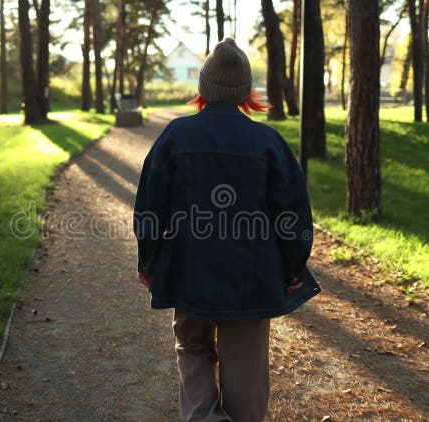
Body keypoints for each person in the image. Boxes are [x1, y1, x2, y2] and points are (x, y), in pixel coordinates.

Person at [133, 37, 321, 422]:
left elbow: (150, 207)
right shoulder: (268, 141)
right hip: (251, 277)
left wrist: (149, 262)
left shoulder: (175, 136)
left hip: (188, 271)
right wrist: (291, 271)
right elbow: (294, 215)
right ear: (245, 91)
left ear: (203, 88)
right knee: (246, 372)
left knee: (192, 347)